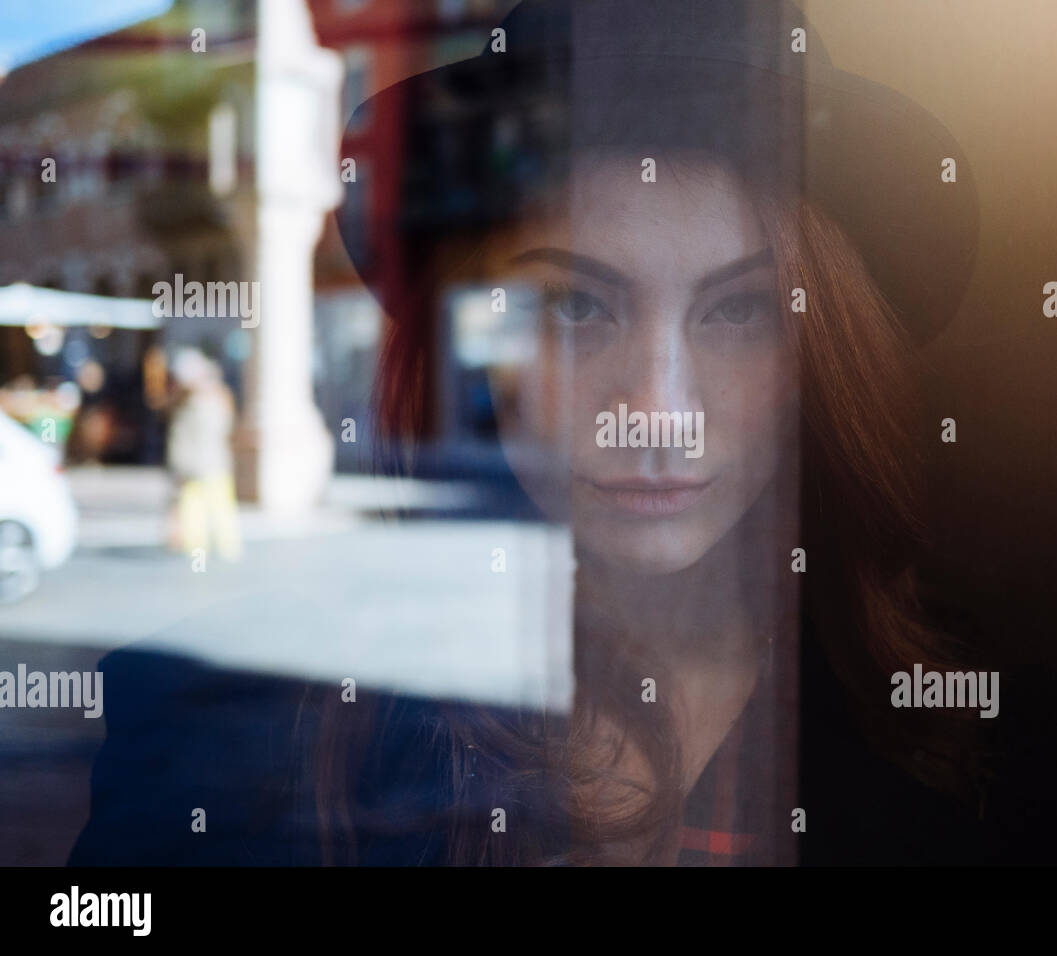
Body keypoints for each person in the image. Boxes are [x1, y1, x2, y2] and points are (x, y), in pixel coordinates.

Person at [70, 0, 999, 866]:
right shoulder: (231, 730)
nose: (658, 413)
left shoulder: (978, 737)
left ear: (827, 351)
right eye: (576, 307)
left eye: (740, 311)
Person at [164, 348, 241, 563]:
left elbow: (185, 440)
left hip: (198, 468)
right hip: (212, 466)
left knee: (199, 514)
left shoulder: (198, 404)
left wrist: (180, 467)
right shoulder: (215, 399)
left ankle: (206, 554)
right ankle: (224, 552)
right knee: (215, 512)